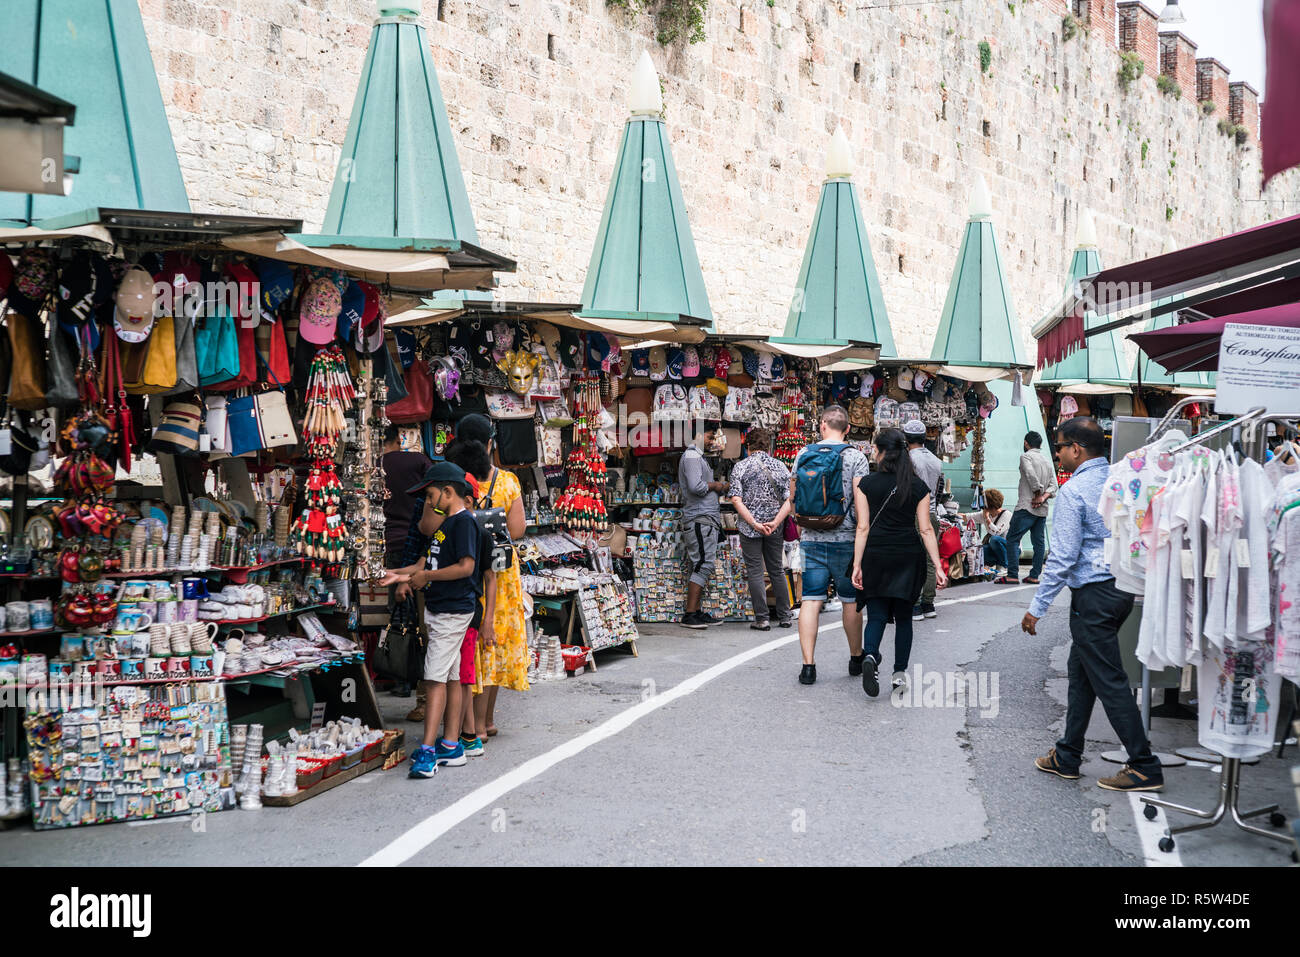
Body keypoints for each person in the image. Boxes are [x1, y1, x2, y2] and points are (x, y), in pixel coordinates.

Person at [1023, 417, 1163, 792]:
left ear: (1077, 449)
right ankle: (1067, 754)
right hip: (1121, 588)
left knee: (1110, 681)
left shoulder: (1075, 490)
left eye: (1061, 447)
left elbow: (1063, 557)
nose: (1058, 454)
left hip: (1095, 595)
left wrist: (1037, 607)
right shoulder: (1119, 478)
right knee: (1082, 670)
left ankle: (1144, 764)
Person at [770, 405, 870, 685]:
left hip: (812, 538)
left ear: (822, 425)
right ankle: (854, 657)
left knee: (811, 600)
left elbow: (793, 498)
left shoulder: (803, 453)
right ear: (847, 428)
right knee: (850, 600)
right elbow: (862, 507)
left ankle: (808, 666)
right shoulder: (855, 457)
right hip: (847, 539)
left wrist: (798, 525)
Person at [399, 462, 482, 779]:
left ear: (448, 492)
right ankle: (450, 745)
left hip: (452, 611)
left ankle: (429, 750)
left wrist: (426, 577)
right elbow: (424, 561)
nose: (429, 502)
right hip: (442, 609)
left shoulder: (463, 524)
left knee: (433, 679)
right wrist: (397, 575)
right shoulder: (448, 524)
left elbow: (466, 567)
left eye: (431, 495)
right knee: (448, 677)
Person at [851, 428, 947, 697]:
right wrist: (938, 566)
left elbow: (862, 527)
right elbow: (926, 529)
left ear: (881, 452)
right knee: (904, 618)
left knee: (877, 613)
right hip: (908, 554)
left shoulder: (866, 484)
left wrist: (857, 564)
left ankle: (870, 656)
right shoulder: (917, 486)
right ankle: (899, 675)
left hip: (876, 554)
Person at [452, 414, 528, 739]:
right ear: (489, 443)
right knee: (496, 639)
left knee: (474, 643)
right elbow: (517, 530)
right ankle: (488, 721)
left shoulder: (456, 480)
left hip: (467, 569)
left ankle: (473, 724)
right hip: (502, 571)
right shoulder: (508, 481)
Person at [444, 441, 500, 759]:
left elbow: (490, 577)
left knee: (463, 676)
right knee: (461, 675)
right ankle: (465, 732)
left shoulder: (479, 532)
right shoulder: (449, 528)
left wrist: (489, 620)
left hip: (469, 612)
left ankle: (468, 736)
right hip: (457, 611)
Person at [380, 425, 433, 706]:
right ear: (401, 439)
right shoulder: (420, 461)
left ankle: (402, 678)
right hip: (417, 544)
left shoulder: (378, 465)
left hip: (391, 543)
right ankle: (422, 677)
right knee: (421, 616)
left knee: (398, 612)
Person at [726, 428, 794, 631]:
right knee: (776, 570)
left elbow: (736, 500)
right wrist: (775, 522)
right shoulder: (780, 466)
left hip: (749, 528)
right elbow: (790, 499)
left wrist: (754, 523)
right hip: (775, 526)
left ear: (748, 447)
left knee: (755, 571)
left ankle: (762, 619)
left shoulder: (741, 467)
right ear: (768, 446)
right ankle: (785, 616)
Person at [678, 420, 728, 629]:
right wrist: (717, 485)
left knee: (700, 563)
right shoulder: (691, 456)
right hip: (699, 518)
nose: (711, 441)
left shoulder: (697, 456)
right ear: (698, 435)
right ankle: (690, 614)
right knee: (702, 564)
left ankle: (696, 611)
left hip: (704, 518)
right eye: (709, 437)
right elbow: (696, 487)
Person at [1000, 430, 1058, 585]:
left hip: (1027, 506)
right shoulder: (1046, 461)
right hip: (1042, 509)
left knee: (1012, 539)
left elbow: (1031, 474)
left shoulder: (1025, 456)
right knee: (1039, 543)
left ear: (1026, 443)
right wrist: (1043, 497)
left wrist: (1037, 493)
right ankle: (1034, 575)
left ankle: (1012, 574)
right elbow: (1054, 486)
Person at [904, 420, 944, 620]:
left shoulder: (908, 460)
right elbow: (938, 489)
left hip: (914, 514)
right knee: (929, 560)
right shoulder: (937, 461)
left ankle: (916, 604)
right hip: (932, 513)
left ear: (906, 438)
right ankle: (929, 603)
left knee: (911, 558)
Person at [960, 488, 1012, 578]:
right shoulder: (984, 514)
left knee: (994, 539)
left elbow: (996, 532)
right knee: (979, 550)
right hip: (995, 548)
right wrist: (952, 515)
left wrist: (987, 519)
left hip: (1011, 548)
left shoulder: (1006, 515)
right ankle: (990, 567)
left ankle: (1004, 567)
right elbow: (967, 517)